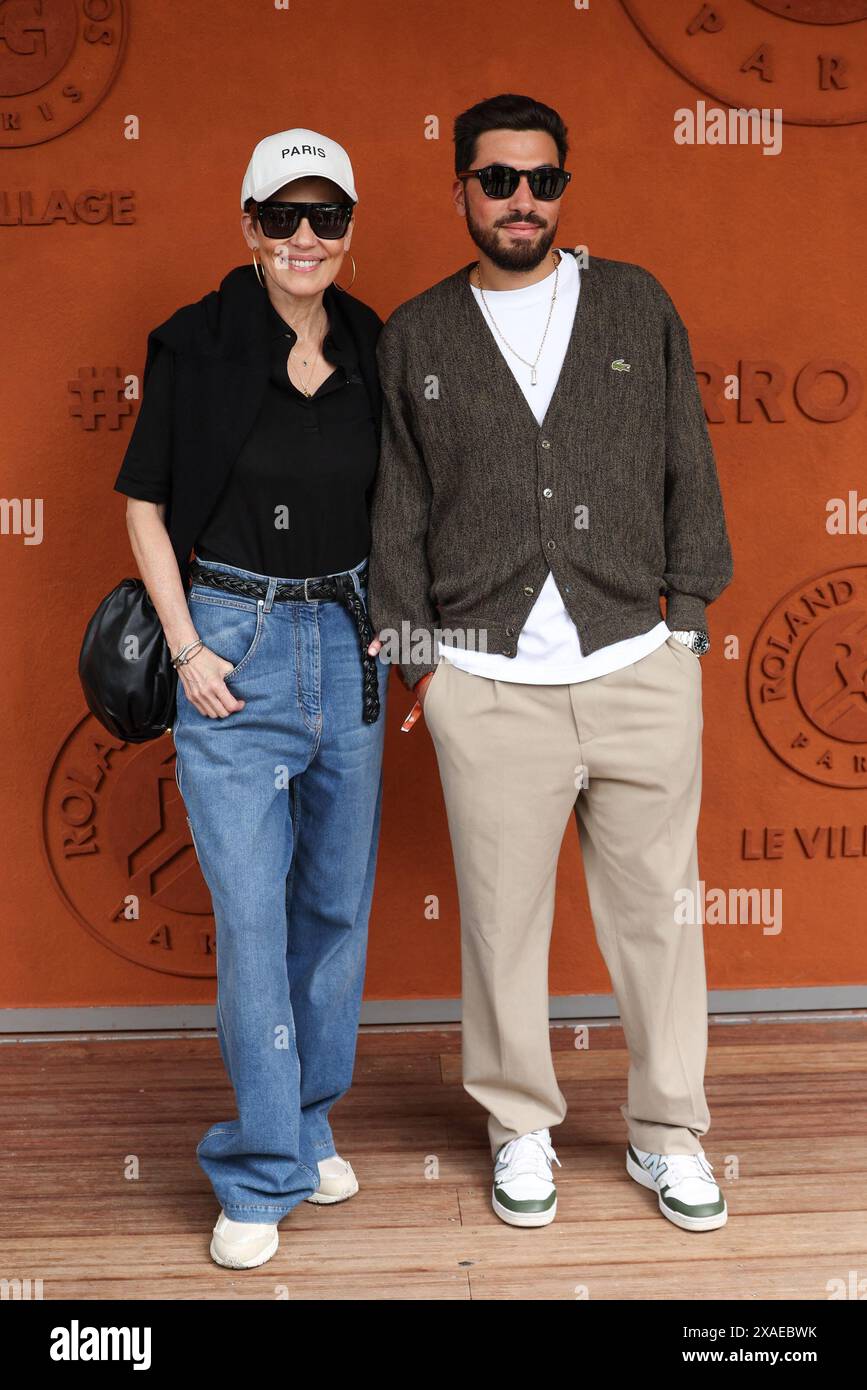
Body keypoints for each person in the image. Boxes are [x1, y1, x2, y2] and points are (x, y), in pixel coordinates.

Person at [368, 93, 734, 1232]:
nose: (521, 200)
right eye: (497, 180)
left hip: (638, 665)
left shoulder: (634, 301)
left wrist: (688, 624)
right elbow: (402, 507)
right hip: (488, 681)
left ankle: (668, 1134)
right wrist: (423, 665)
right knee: (500, 922)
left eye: (541, 181)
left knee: (661, 921)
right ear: (462, 190)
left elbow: (688, 453)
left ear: (562, 188)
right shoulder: (418, 335)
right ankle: (520, 1124)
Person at [113, 128, 389, 1269]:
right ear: (250, 227)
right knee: (253, 916)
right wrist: (187, 649)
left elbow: (406, 503)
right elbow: (142, 503)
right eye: (285, 216)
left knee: (332, 911)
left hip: (351, 633)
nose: (306, 238)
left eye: (327, 216)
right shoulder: (197, 343)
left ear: (348, 231)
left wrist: (403, 637)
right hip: (235, 639)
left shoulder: (375, 341)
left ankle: (307, 1116)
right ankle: (262, 1164)